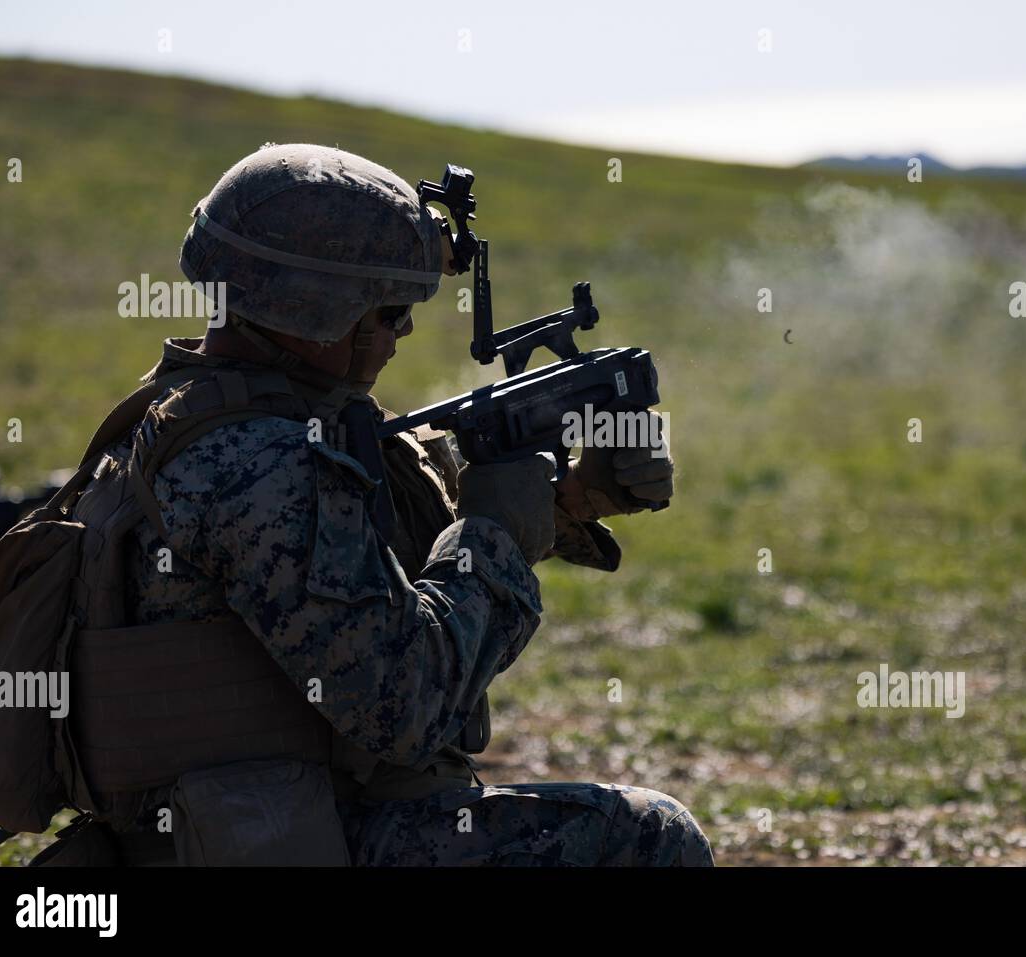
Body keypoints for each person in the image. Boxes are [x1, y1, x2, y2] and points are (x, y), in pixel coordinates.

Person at [64, 143, 712, 866]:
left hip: (249, 822)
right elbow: (405, 704)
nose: (404, 331)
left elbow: (364, 575)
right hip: (259, 840)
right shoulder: (257, 460)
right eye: (392, 307)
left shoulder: (210, 411)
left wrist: (567, 502)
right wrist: (494, 534)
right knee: (650, 838)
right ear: (317, 307)